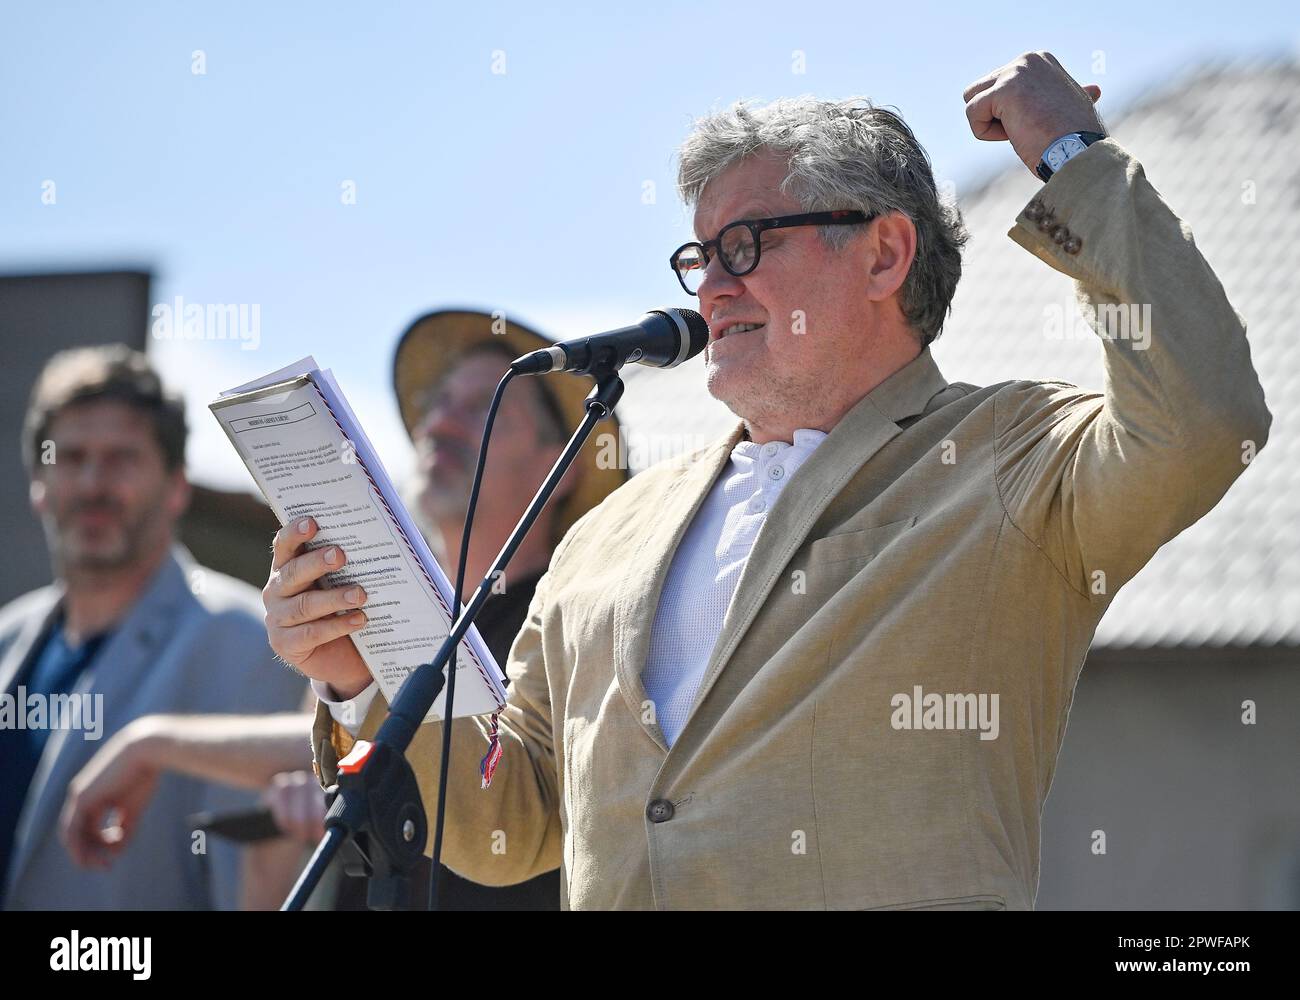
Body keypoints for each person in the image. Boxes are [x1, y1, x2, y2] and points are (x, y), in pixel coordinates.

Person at [266, 53, 1271, 909]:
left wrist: (1075, 161)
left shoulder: (1007, 456)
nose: (710, 287)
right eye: (698, 256)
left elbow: (1203, 423)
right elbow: (507, 824)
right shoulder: (611, 530)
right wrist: (353, 673)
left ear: (883, 254)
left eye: (745, 245)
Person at [60, 312, 628, 909]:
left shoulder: (578, 619)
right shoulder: (368, 609)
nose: (439, 424)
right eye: (438, 404)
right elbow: (299, 791)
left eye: (485, 409)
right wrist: (289, 814)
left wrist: (152, 742)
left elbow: (511, 776)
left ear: (565, 464)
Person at [0, 345, 306, 910]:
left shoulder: (246, 642)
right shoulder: (8, 638)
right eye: (70, 457)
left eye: (122, 459)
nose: (92, 484)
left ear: (176, 487)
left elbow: (249, 891)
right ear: (38, 484)